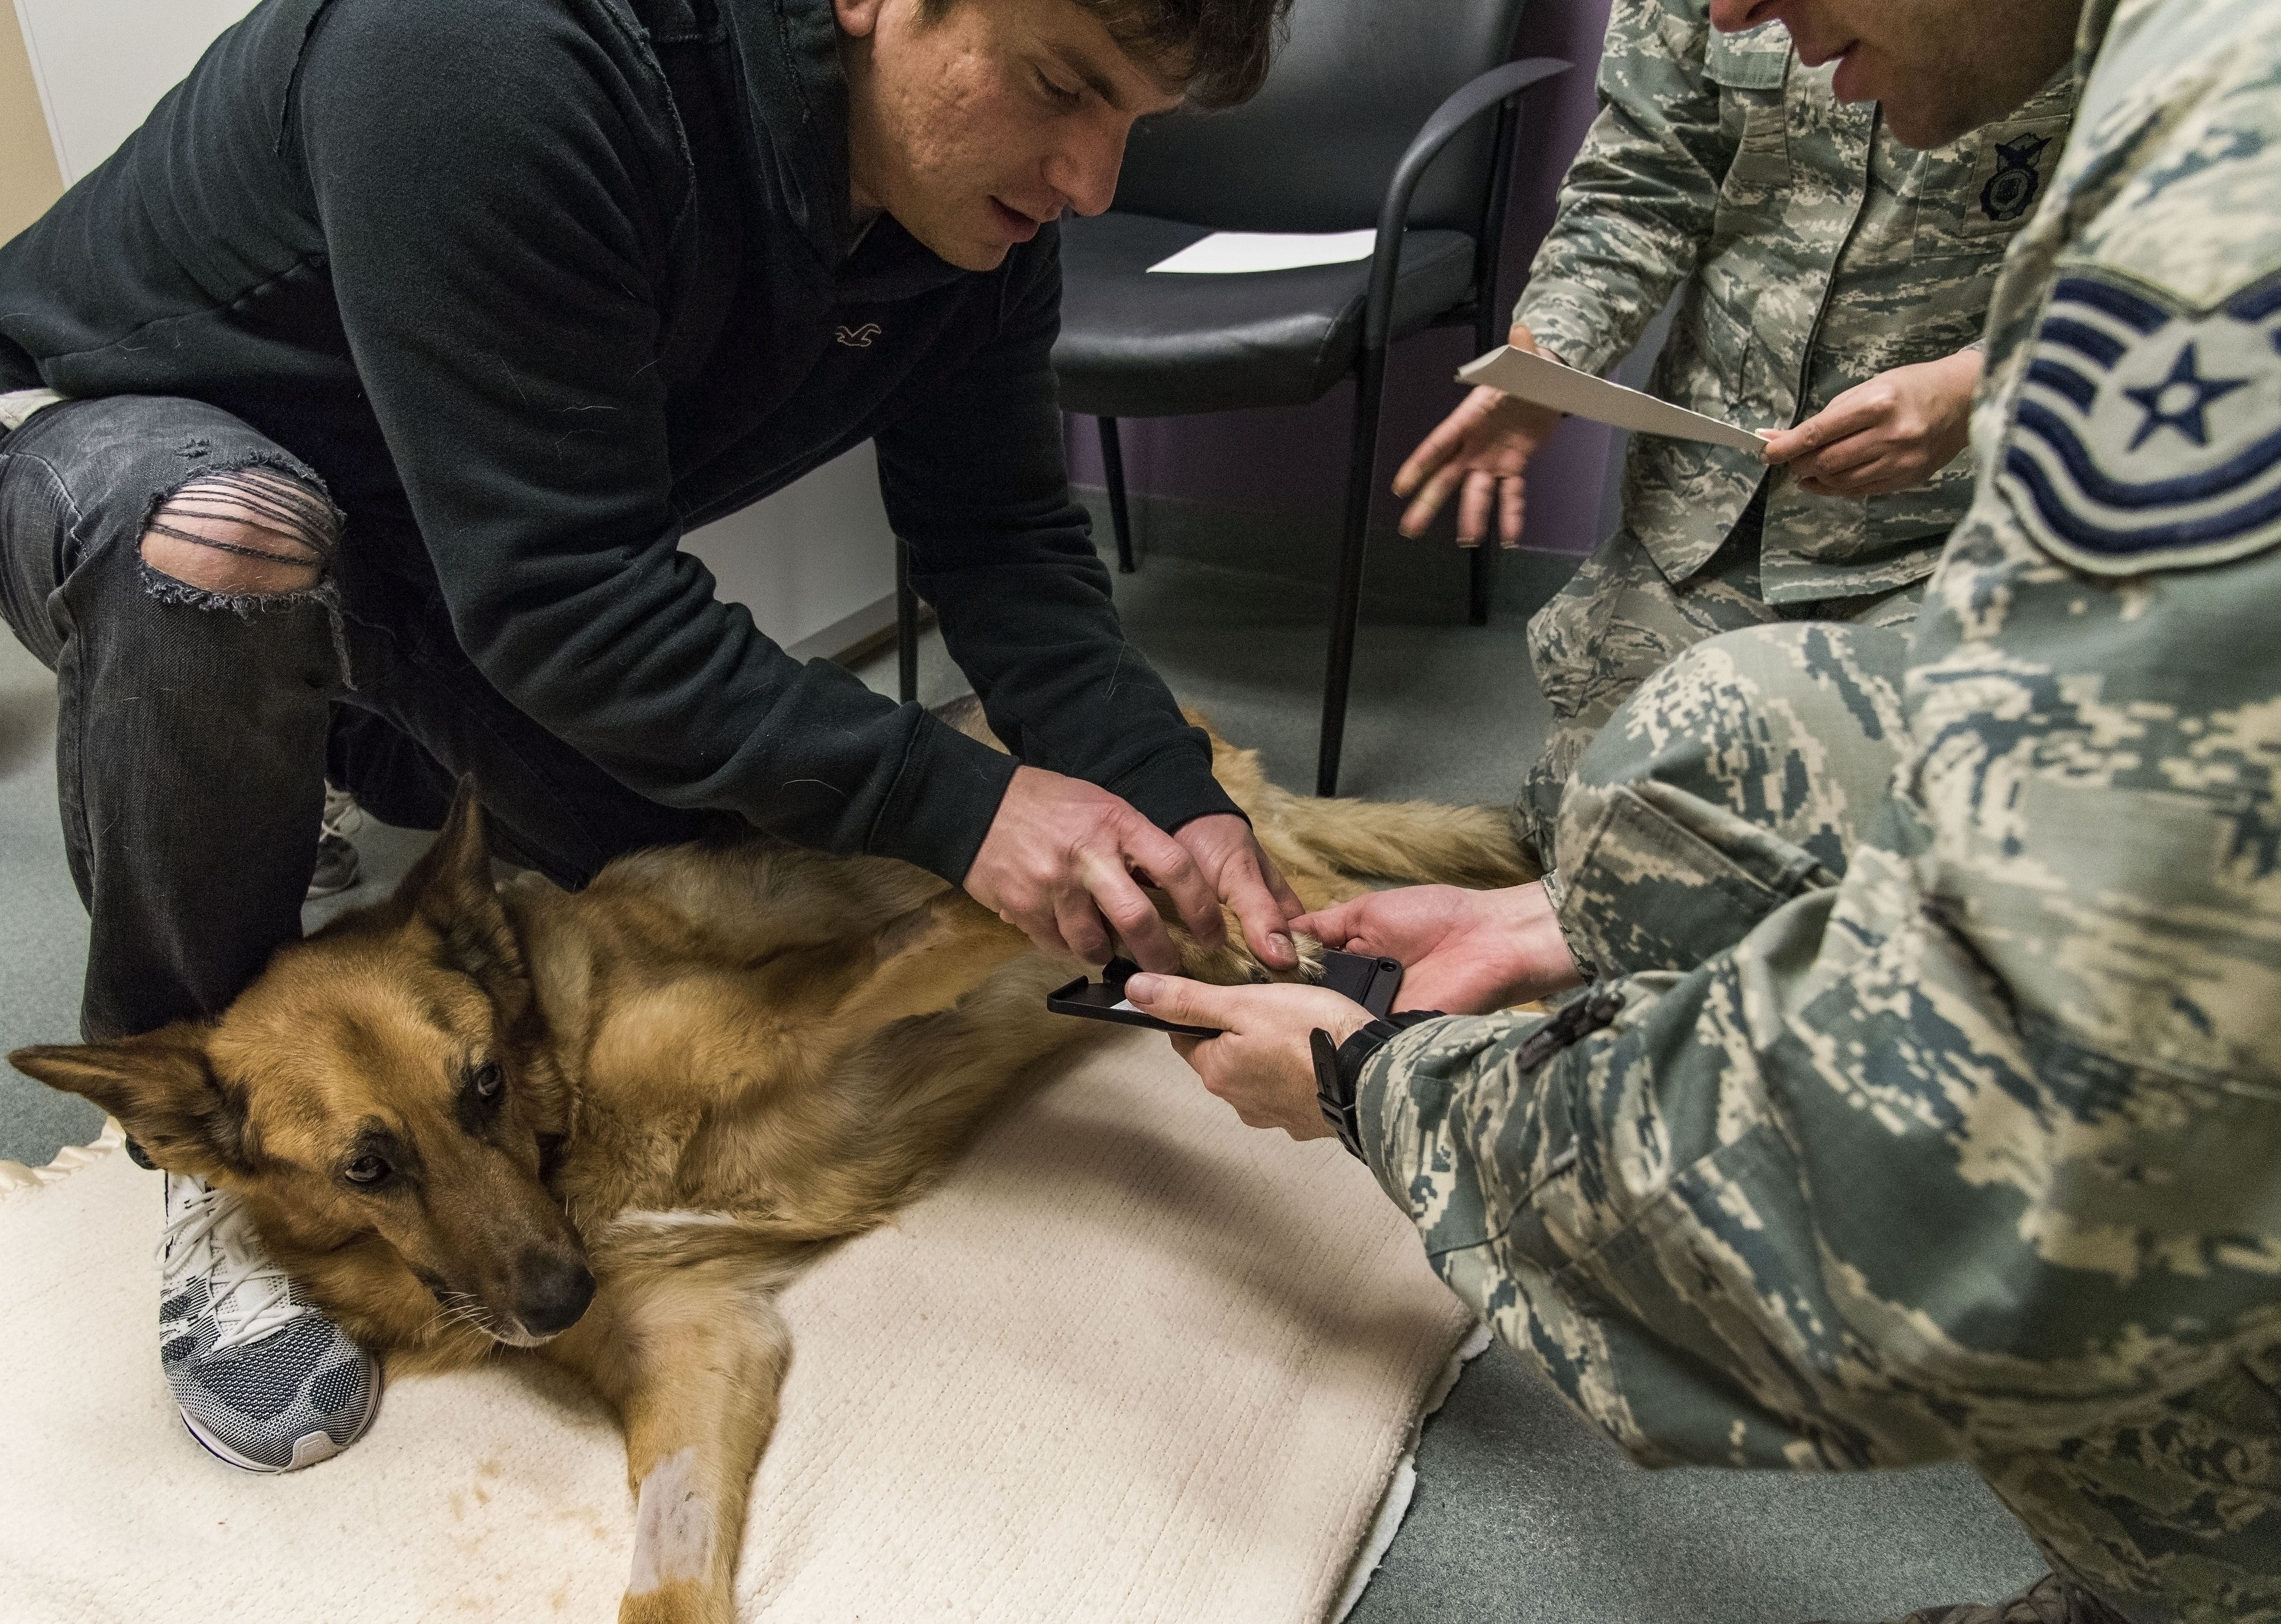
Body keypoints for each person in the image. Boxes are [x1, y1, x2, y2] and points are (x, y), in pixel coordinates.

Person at [0, 0, 1303, 1474]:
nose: (1092, 181)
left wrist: (1174, 796)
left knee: (694, 876)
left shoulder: (972, 212)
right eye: (1062, 87)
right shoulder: (489, 52)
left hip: (439, 527)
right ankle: (203, 1161)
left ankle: (304, 749)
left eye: (1134, 121)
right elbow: (566, 599)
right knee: (225, 542)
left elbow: (1002, 537)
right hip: (115, 442)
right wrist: (968, 804)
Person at [1125, 0, 2281, 1618]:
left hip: (1931, 582)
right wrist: (1562, 917)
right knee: (1689, 770)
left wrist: (1375, 1084)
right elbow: (1640, 175)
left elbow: (1949, 1160)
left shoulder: (2229, 155)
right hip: (1749, 532)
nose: (1726, 10)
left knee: (2036, 1237)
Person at [1392, 0, 2077, 859]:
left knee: (1888, 881)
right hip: (1712, 519)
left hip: (1958, 540)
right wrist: (1549, 360)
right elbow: (1643, 176)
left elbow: (2184, 263)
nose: (1729, 14)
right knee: (1594, 849)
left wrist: (1978, 387)